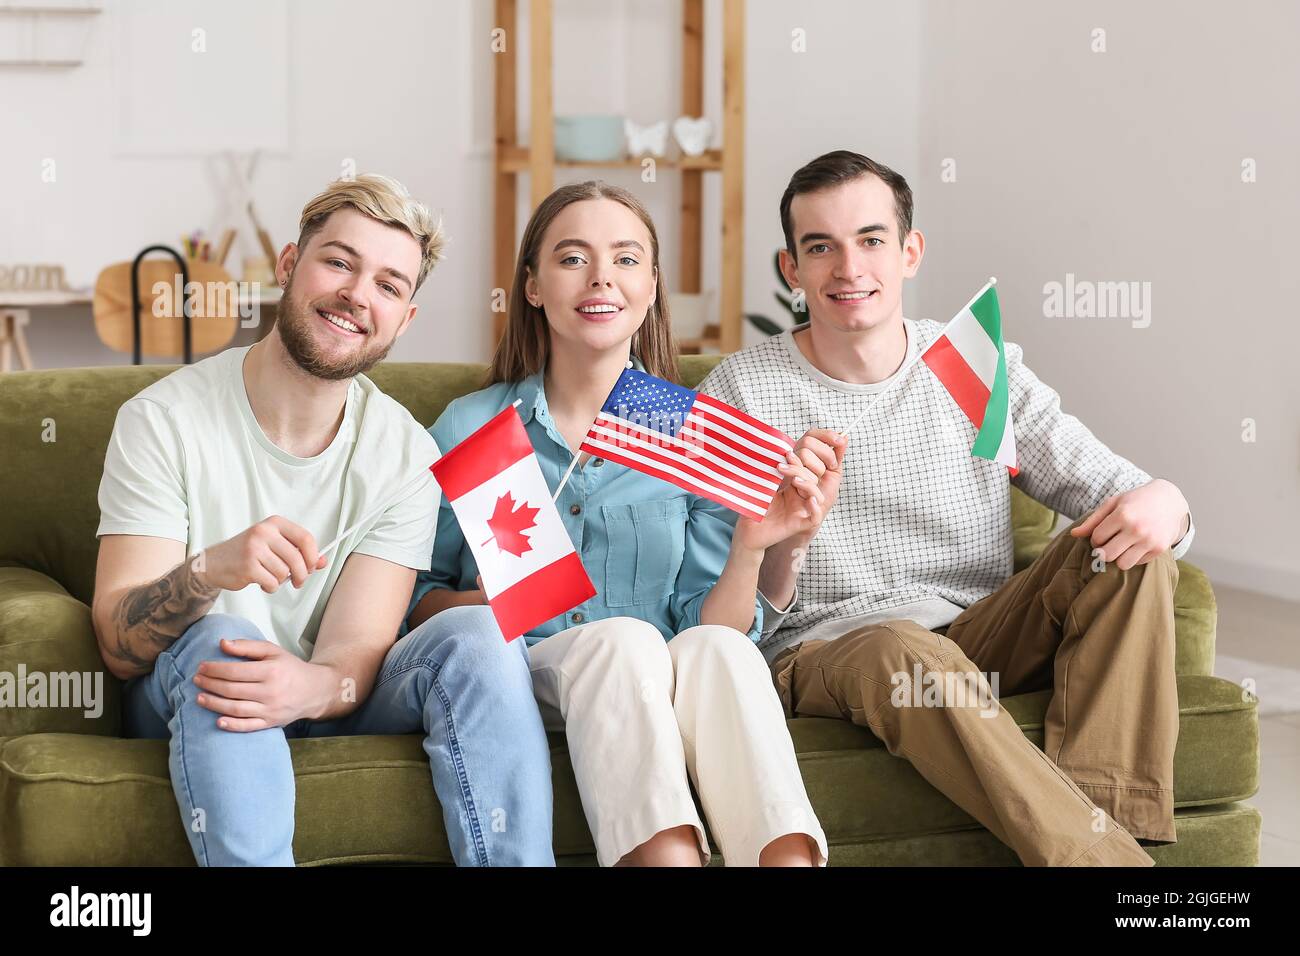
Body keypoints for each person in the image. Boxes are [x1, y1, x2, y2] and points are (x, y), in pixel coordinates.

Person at [700, 149, 1195, 867]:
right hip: (829, 648)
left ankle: (1109, 835)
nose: (848, 268)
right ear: (792, 272)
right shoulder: (740, 393)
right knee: (905, 645)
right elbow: (719, 613)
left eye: (871, 240)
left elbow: (1111, 488)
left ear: (910, 252)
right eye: (821, 248)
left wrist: (1171, 503)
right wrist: (787, 538)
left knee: (1130, 555)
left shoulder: (971, 365)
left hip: (978, 633)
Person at [93, 174, 553, 866]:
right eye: (338, 262)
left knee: (485, 632)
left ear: (404, 319)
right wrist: (210, 569)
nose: (357, 295)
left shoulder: (403, 453)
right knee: (226, 642)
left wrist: (309, 685)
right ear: (288, 266)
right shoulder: (162, 421)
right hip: (191, 687)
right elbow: (117, 645)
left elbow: (355, 650)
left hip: (329, 698)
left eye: (389, 285)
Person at [406, 180, 830, 867]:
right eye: (573, 258)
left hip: (656, 681)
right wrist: (493, 604)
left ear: (653, 285)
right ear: (534, 286)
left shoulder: (689, 432)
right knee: (624, 642)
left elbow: (709, 632)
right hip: (531, 682)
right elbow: (410, 598)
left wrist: (751, 549)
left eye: (626, 259)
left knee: (722, 652)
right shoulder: (477, 427)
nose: (602, 275)